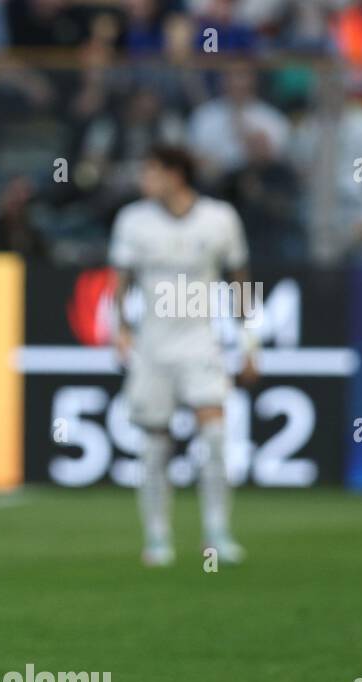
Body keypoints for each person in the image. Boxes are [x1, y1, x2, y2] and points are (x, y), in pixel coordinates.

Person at [109, 146, 258, 567]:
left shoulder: (220, 218)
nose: (144, 181)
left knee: (213, 437)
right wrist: (119, 329)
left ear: (175, 175)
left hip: (201, 343)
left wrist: (248, 340)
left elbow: (239, 279)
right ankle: (157, 537)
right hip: (153, 348)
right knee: (154, 446)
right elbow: (120, 281)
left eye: (151, 172)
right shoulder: (133, 220)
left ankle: (217, 533)